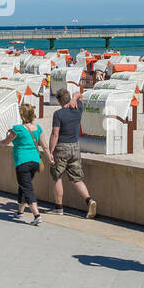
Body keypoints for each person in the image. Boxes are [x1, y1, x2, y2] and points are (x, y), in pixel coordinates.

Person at [48, 88, 97, 218]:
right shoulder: (78, 109)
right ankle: (89, 200)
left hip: (61, 147)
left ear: (59, 101)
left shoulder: (58, 114)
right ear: (68, 97)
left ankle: (59, 208)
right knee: (76, 179)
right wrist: (75, 98)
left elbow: (55, 134)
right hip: (75, 147)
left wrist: (50, 151)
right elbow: (80, 95)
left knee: (57, 177)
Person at [0, 103, 49, 224]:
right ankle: (20, 212)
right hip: (35, 161)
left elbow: (6, 142)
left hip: (22, 162)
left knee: (27, 187)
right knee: (24, 185)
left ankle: (37, 215)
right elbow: (45, 146)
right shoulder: (38, 128)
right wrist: (50, 159)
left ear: (22, 115)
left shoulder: (18, 128)